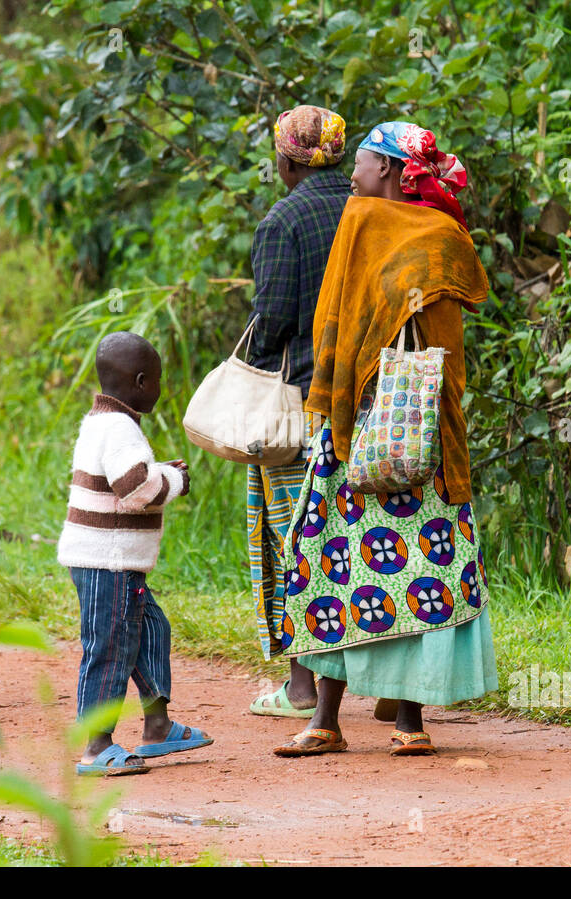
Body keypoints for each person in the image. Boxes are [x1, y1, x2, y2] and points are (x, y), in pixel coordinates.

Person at [273, 121, 498, 757]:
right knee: (341, 560)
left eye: (368, 160)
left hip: (394, 422)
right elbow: (346, 314)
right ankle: (328, 719)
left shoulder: (405, 229)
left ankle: (406, 720)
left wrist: (358, 387)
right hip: (382, 422)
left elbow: (351, 321)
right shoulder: (365, 218)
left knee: (362, 561)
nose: (356, 171)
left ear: (397, 171)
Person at [58, 332, 214, 775]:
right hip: (108, 562)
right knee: (109, 647)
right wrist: (173, 479)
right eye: (158, 381)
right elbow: (134, 488)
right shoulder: (120, 429)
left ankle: (158, 725)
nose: (161, 390)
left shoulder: (101, 422)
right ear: (142, 382)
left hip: (115, 562)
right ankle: (96, 745)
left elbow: (124, 479)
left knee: (149, 631)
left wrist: (157, 471)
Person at [245, 105, 351, 719]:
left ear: (286, 160)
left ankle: (301, 687)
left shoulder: (284, 219)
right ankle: (389, 686)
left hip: (303, 403)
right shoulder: (372, 207)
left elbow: (275, 317)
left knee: (291, 535)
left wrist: (256, 358)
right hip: (369, 399)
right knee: (355, 537)